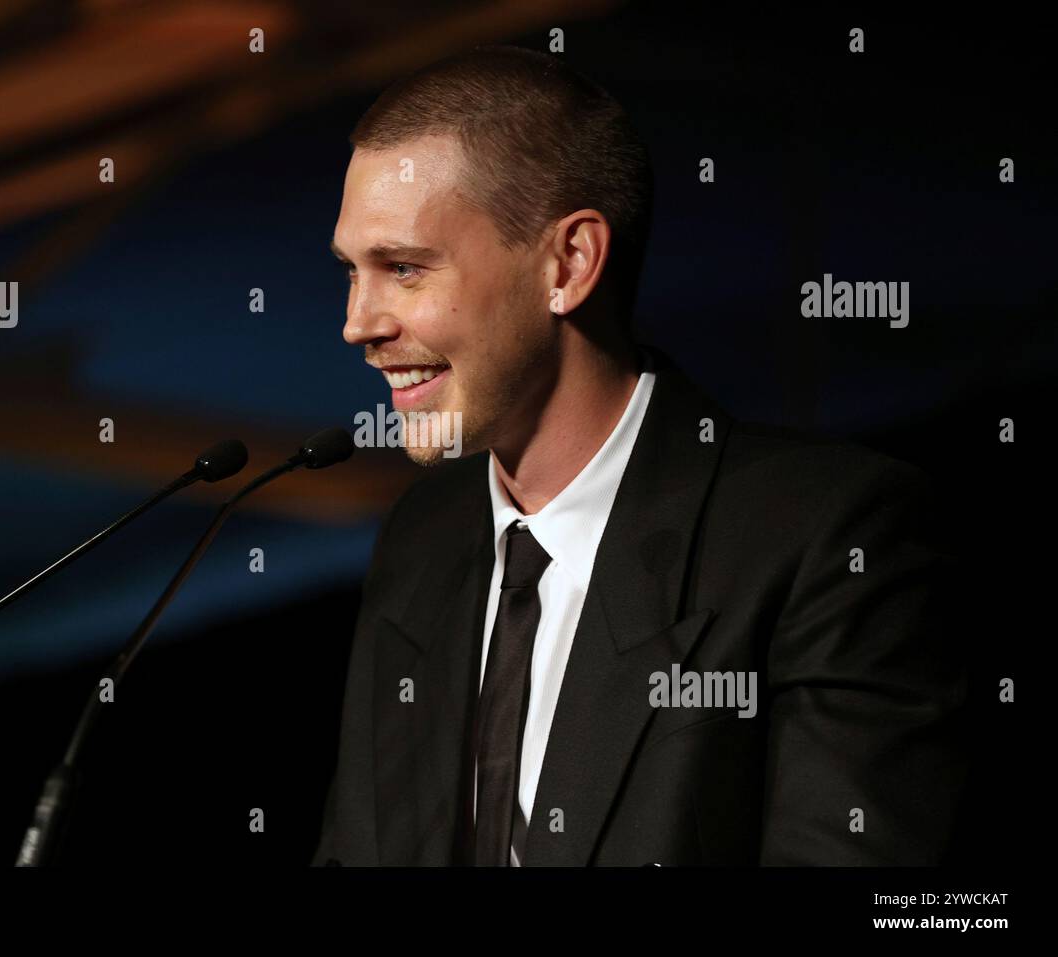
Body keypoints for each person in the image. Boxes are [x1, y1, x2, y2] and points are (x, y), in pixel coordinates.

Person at [315, 45, 966, 866]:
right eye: (351, 272)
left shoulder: (826, 541)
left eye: (404, 269)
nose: (358, 322)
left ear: (570, 263)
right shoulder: (422, 541)